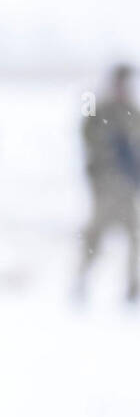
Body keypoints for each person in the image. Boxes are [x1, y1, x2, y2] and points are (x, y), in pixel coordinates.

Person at [80, 63, 140, 302]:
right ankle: (81, 281)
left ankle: (132, 285)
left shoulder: (132, 110)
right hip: (105, 186)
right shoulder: (99, 106)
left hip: (127, 188)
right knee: (93, 238)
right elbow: (85, 131)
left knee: (134, 238)